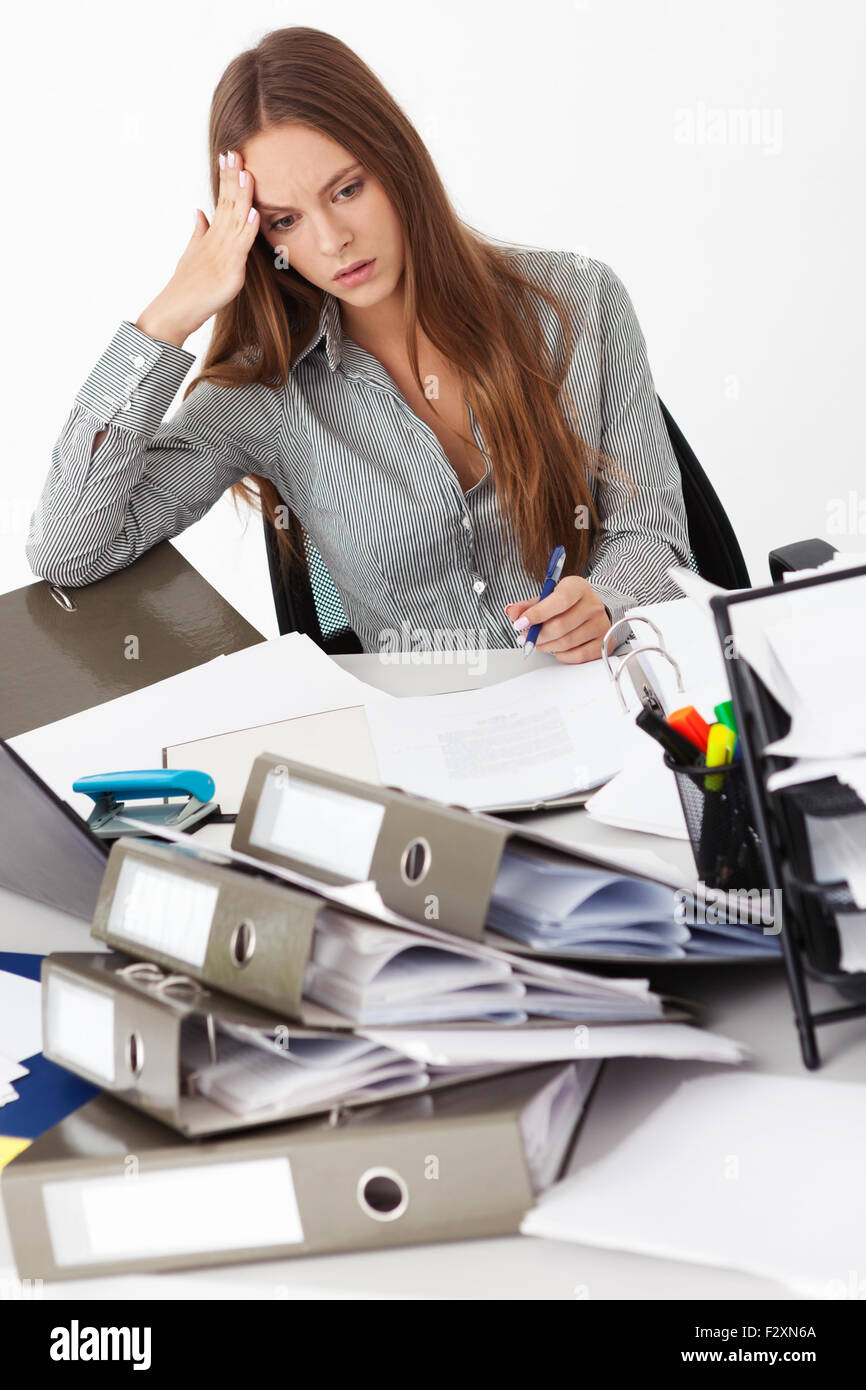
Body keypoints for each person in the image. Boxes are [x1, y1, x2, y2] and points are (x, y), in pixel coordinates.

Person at [26, 25, 691, 664]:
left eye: (347, 189)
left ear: (397, 162)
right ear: (260, 239)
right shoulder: (267, 396)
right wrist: (165, 320)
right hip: (433, 758)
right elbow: (68, 549)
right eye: (286, 220)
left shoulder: (576, 303)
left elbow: (654, 537)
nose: (330, 239)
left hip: (613, 707)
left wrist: (604, 605)